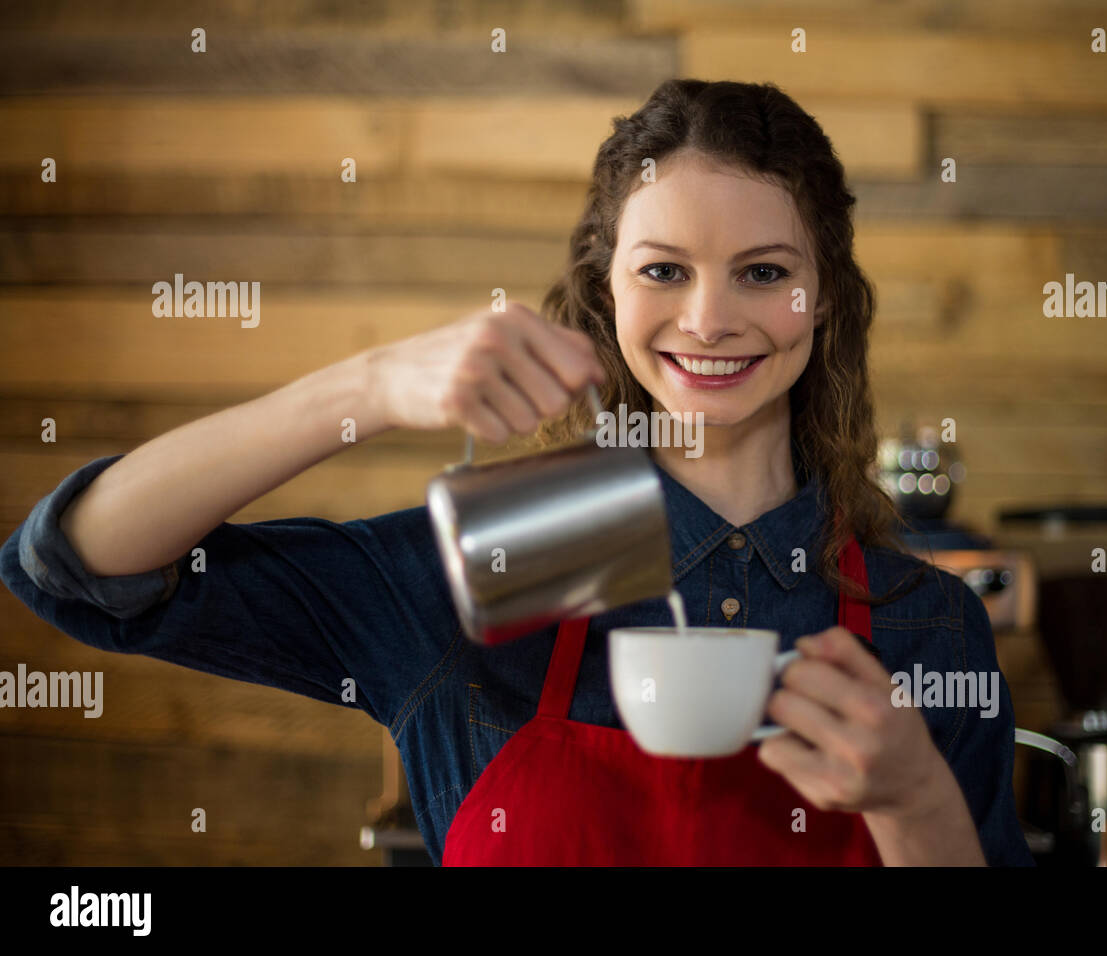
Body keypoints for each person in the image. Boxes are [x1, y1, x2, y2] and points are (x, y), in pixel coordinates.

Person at [0, 78, 1033, 866]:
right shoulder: (508, 555)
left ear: (825, 297)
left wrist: (915, 803)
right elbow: (83, 568)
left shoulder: (924, 622)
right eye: (662, 269)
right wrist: (366, 384)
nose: (710, 318)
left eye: (764, 271)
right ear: (605, 287)